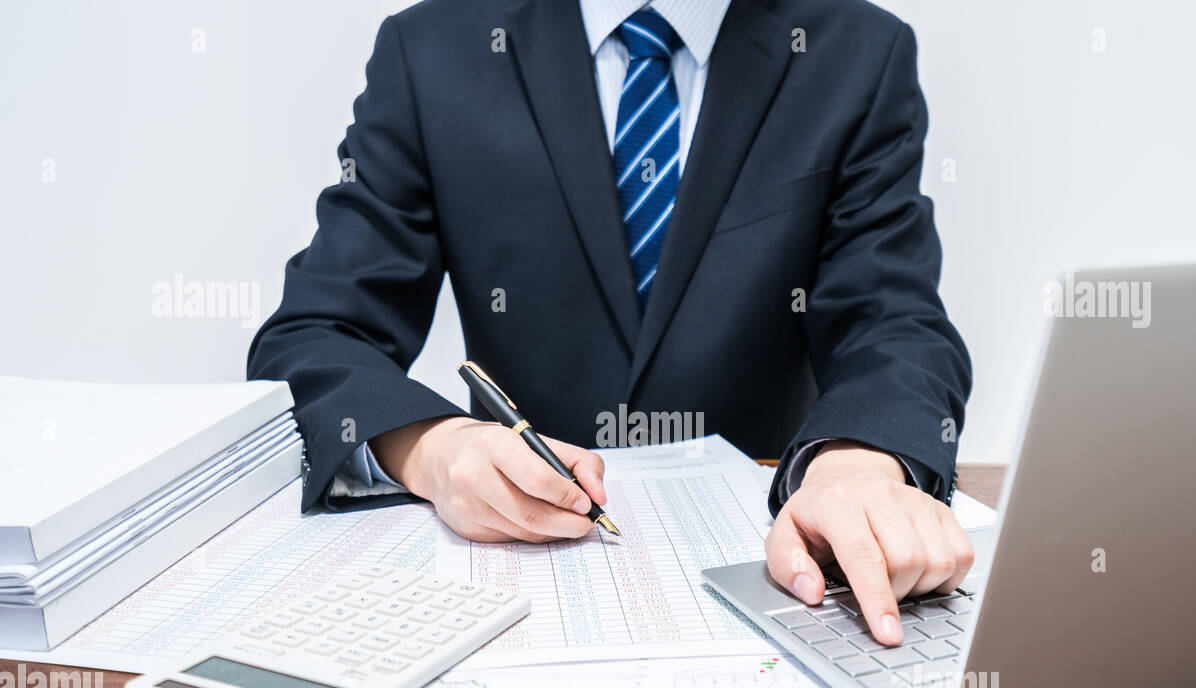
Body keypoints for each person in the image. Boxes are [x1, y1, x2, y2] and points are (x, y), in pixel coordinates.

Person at [248, 0, 974, 647]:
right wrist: (433, 450)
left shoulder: (856, 50)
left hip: (775, 580)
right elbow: (316, 333)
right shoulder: (433, 47)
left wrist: (858, 462)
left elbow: (893, 321)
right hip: (509, 584)